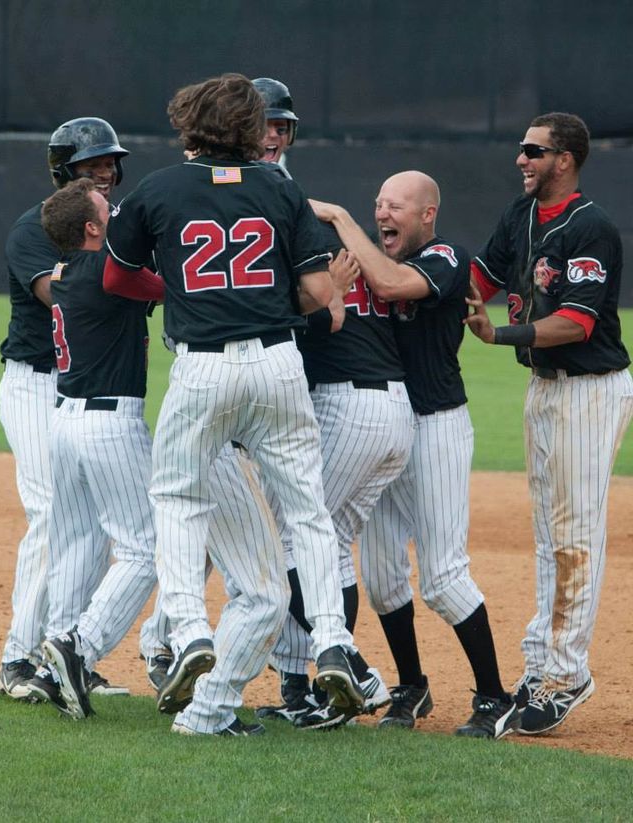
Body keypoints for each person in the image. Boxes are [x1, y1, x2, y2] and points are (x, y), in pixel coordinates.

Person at [104, 73, 367, 734]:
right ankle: (332, 638)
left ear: (188, 124)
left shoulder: (159, 188)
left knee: (178, 500)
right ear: (252, 129)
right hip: (278, 361)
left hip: (202, 367)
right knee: (308, 508)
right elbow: (314, 293)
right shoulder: (281, 187)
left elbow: (114, 274)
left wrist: (186, 291)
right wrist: (280, 298)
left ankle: (190, 629)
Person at [311, 170, 520, 739]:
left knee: (444, 577)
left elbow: (394, 285)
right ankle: (411, 686)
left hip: (438, 426)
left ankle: (495, 697)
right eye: (377, 204)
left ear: (427, 214)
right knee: (380, 576)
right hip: (391, 426)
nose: (383, 214)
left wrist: (342, 219)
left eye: (396, 206)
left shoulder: (449, 256)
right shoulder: (366, 258)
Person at [248, 78, 414, 731]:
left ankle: (342, 668)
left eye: (282, 126)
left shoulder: (294, 206)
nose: (274, 135)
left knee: (301, 536)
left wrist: (310, 302)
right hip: (371, 404)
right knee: (324, 542)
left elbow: (332, 319)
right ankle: (305, 687)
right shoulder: (291, 203)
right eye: (265, 124)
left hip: (351, 400)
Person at [466, 112, 633, 735]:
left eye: (534, 151)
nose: (521, 159)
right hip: (544, 389)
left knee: (574, 534)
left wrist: (498, 332)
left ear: (565, 159)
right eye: (522, 149)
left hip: (589, 392)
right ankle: (543, 666)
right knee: (548, 534)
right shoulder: (519, 215)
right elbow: (477, 279)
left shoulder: (592, 227)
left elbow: (577, 323)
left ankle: (567, 674)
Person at [0, 117, 131, 700]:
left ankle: (65, 653)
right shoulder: (34, 230)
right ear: (63, 173)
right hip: (34, 384)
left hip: (82, 389)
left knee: (95, 526)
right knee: (52, 514)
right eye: (91, 164)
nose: (105, 171)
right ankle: (16, 661)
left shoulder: (116, 230)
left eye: (109, 163)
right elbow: (67, 294)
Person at [21, 178, 162, 718]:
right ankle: (78, 648)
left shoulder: (65, 273)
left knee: (78, 541)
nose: (117, 211)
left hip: (65, 420)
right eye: (108, 209)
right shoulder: (110, 273)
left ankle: (48, 665)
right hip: (108, 419)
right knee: (143, 548)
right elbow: (175, 287)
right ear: (91, 227)